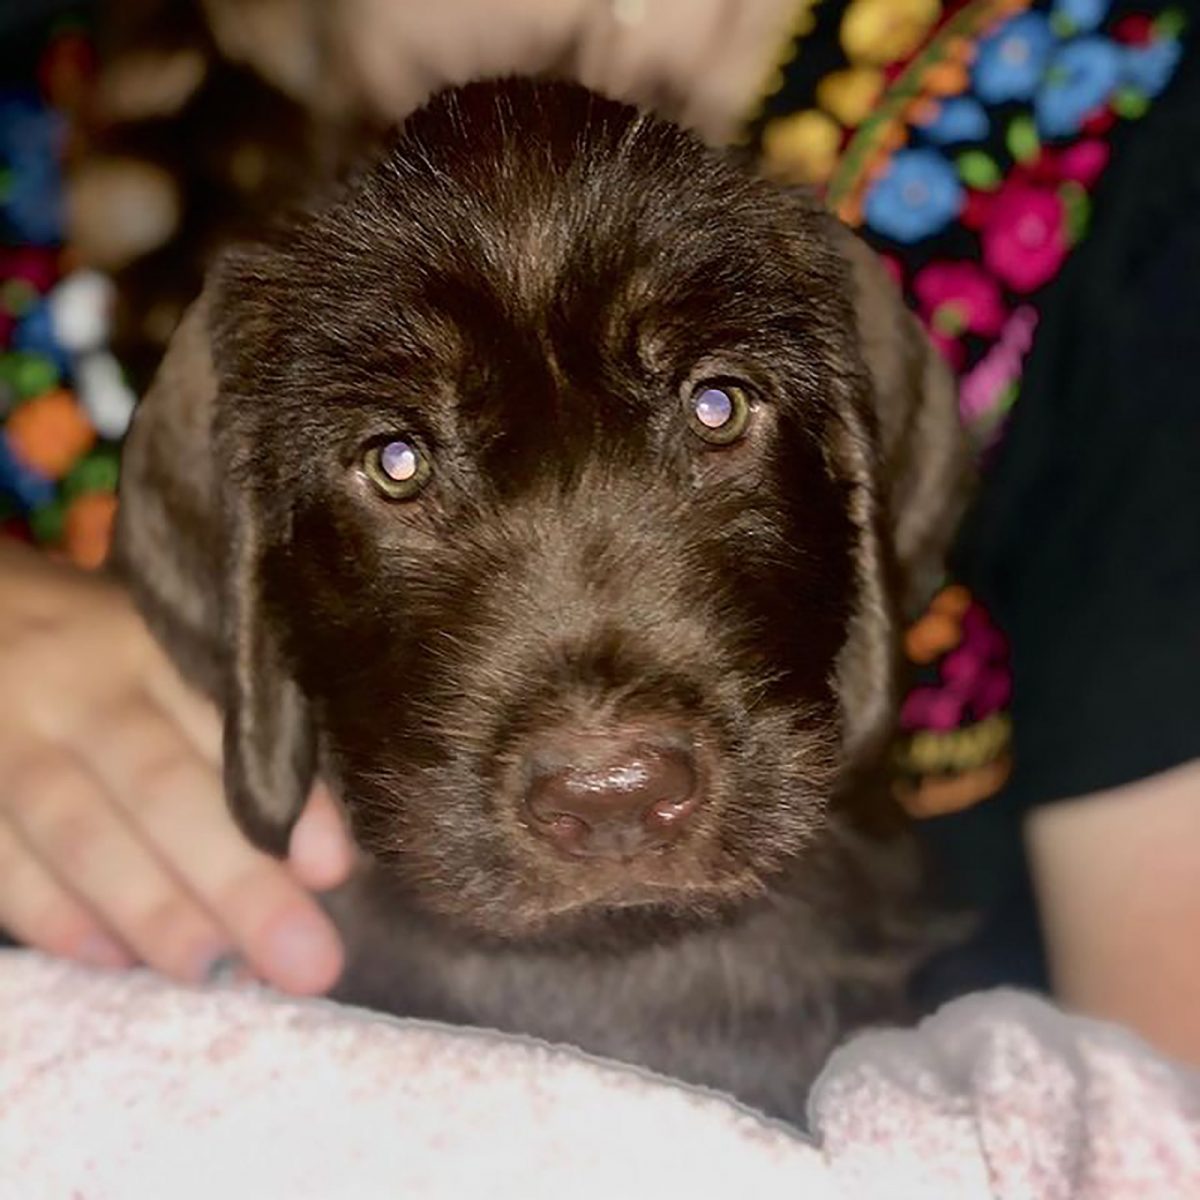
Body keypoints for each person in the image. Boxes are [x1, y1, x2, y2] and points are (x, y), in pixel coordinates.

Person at [1, 0, 1197, 1066]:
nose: (609, 765)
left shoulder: (1129, 147)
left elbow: (1158, 1112)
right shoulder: (44, 104)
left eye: (718, 404)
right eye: (396, 459)